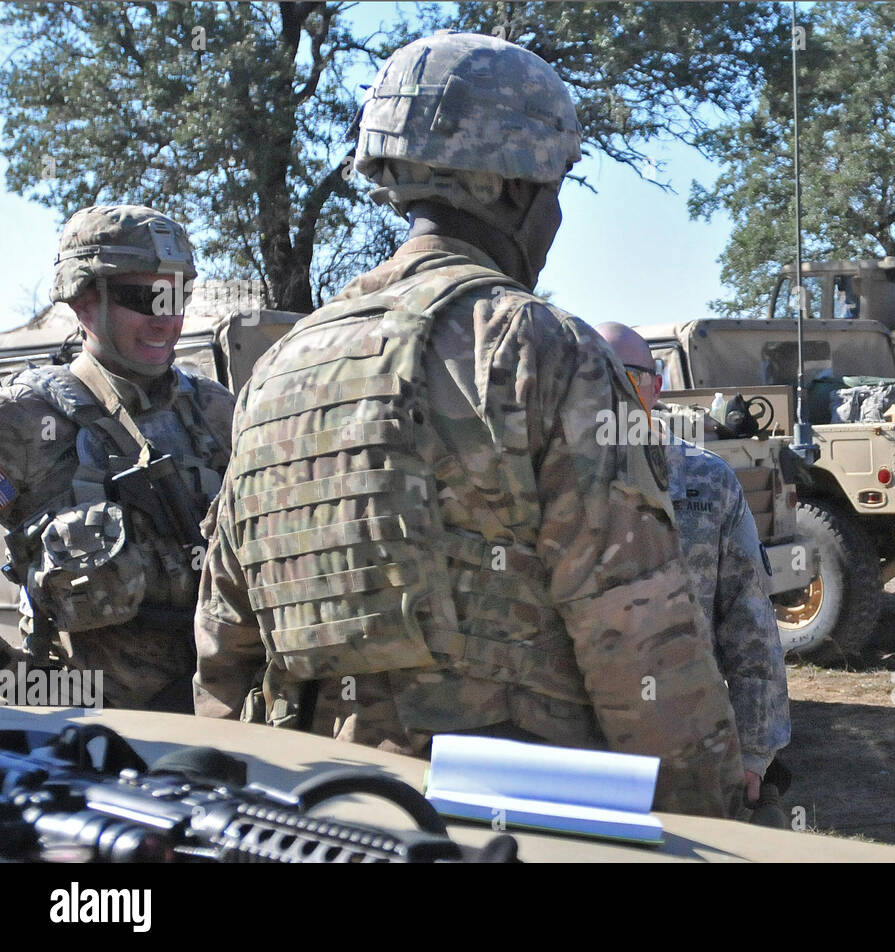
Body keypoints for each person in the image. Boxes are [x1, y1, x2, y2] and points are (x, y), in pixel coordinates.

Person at [192, 32, 744, 818]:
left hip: (323, 806)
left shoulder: (278, 368)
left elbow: (225, 641)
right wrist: (707, 817)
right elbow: (635, 632)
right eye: (555, 185)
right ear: (512, 189)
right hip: (511, 815)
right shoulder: (541, 348)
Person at [0, 204, 235, 711]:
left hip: (230, 718)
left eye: (178, 297)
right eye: (145, 297)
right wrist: (18, 690)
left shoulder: (217, 410)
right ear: (83, 301)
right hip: (94, 735)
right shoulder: (21, 419)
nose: (165, 320)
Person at [594, 322, 791, 806]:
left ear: (656, 387)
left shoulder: (708, 480)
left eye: (628, 376)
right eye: (594, 375)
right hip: (579, 738)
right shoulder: (551, 484)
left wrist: (753, 752)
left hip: (685, 737)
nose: (611, 390)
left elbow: (750, 625)